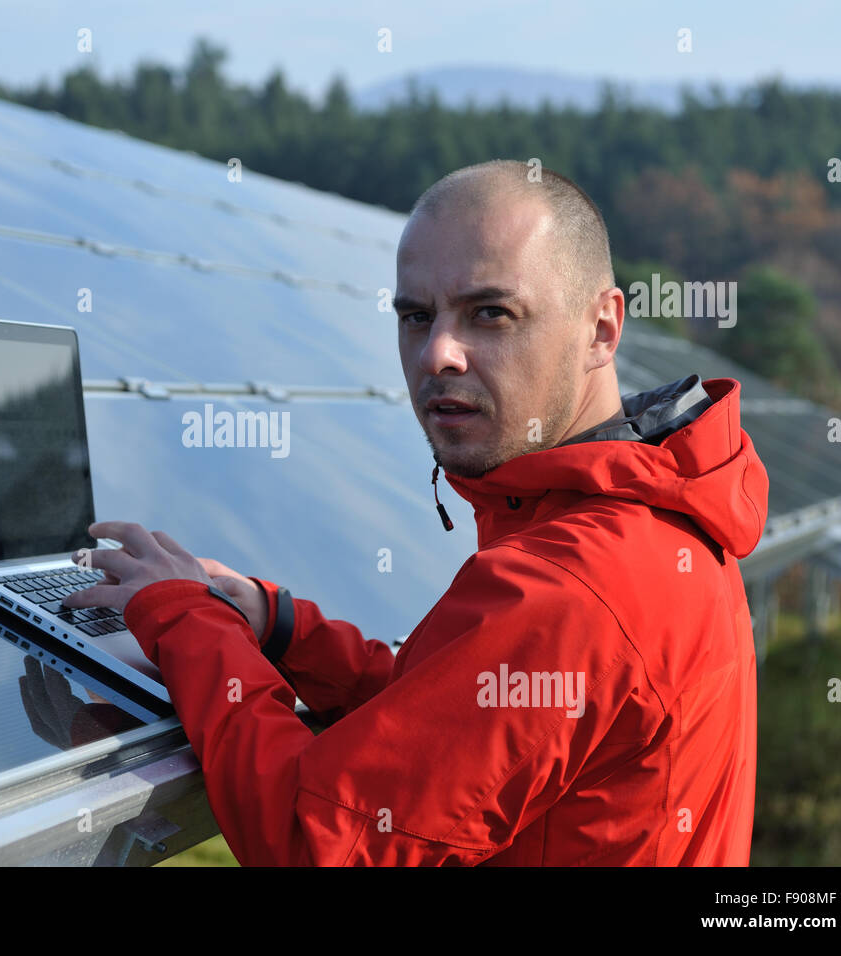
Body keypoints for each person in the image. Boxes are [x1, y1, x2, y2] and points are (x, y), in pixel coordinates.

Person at [62, 159, 769, 865]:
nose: (438, 353)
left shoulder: (570, 587)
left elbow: (310, 842)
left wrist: (188, 621)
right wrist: (279, 629)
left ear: (601, 330)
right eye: (415, 316)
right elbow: (457, 722)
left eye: (491, 313)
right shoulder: (655, 516)